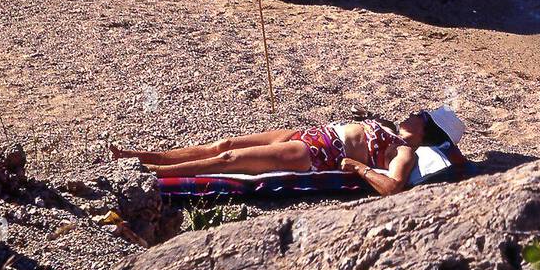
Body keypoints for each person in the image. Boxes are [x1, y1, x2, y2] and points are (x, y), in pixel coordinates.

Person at [111, 107, 467, 197]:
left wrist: (358, 169)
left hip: (322, 153)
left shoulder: (406, 154)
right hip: (316, 133)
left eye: (421, 117)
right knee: (227, 144)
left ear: (427, 130)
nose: (412, 114)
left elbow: (393, 188)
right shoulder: (391, 128)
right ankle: (148, 156)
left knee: (230, 162)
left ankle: (154, 174)